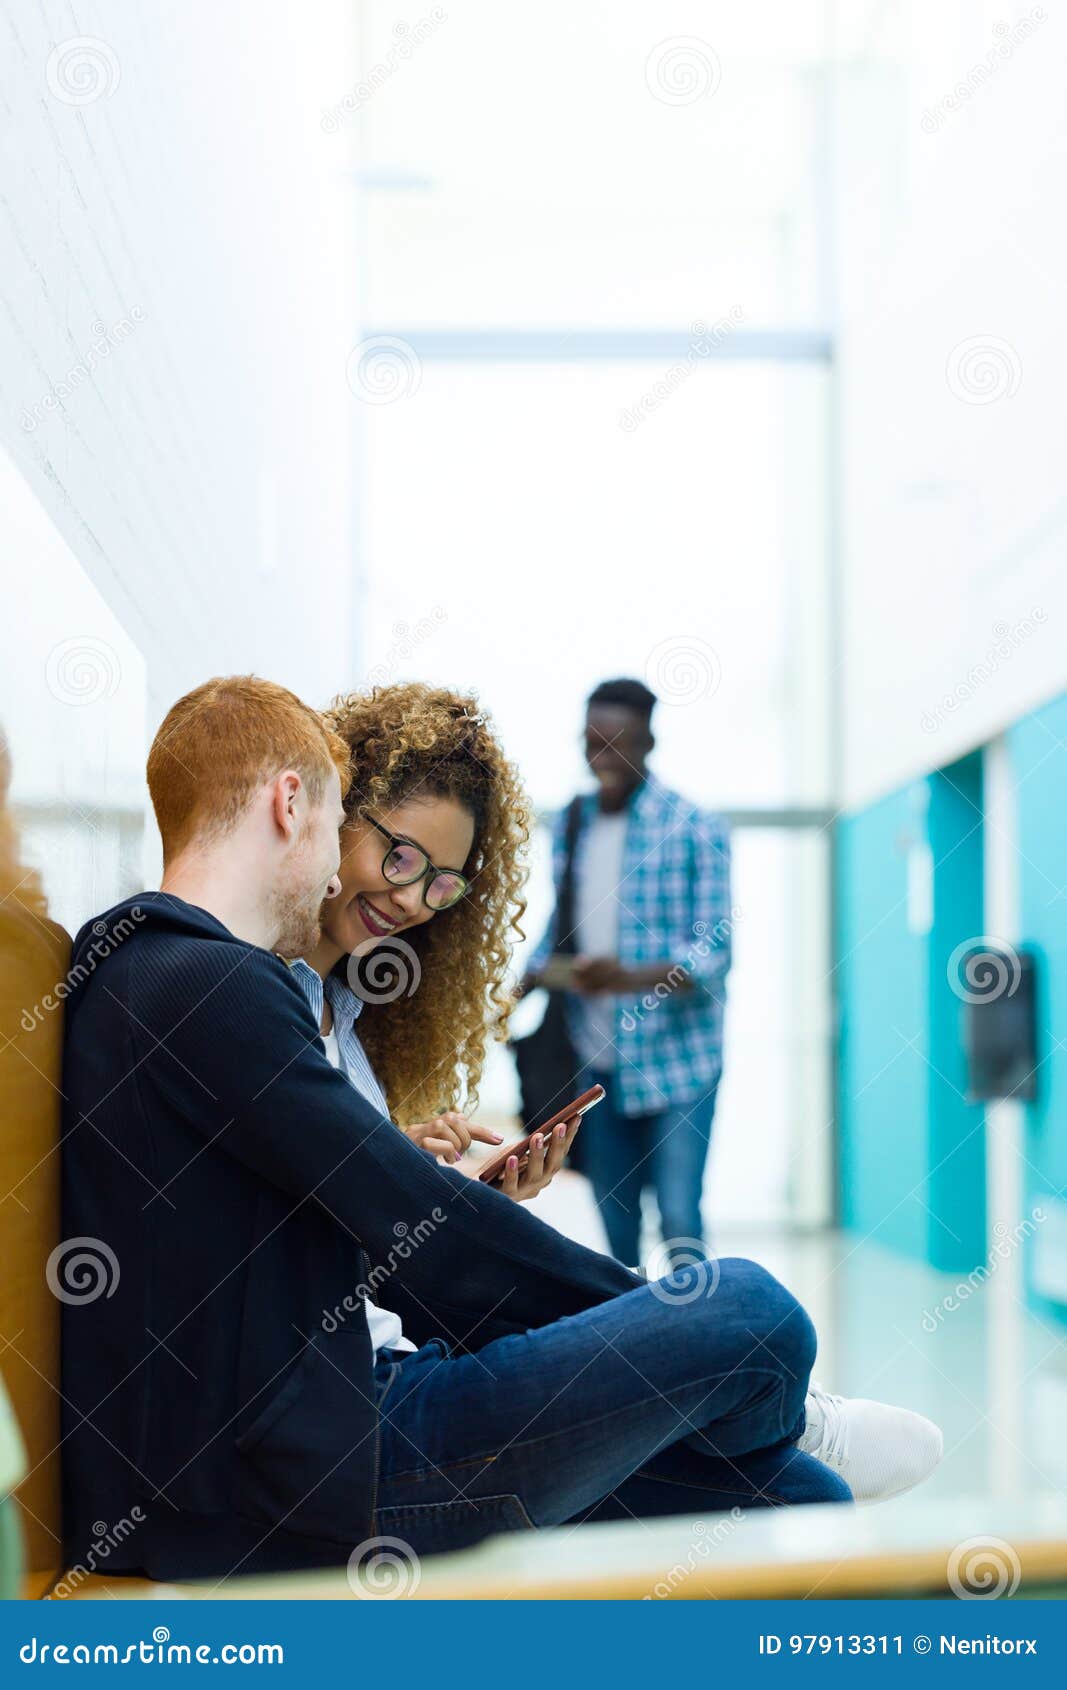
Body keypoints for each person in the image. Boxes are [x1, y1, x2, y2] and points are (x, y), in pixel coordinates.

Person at [60, 676, 942, 1583]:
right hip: (325, 1463)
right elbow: (415, 1231)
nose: (342, 873)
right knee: (753, 1314)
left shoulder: (166, 973)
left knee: (799, 1495)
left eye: (441, 884)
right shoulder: (203, 981)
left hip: (328, 1427)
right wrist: (650, 1313)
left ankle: (764, 1409)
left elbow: (295, 1243)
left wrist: (417, 1192)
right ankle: (785, 1402)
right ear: (296, 806)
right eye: (345, 838)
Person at [290, 682, 576, 1203]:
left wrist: (416, 1164)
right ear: (338, 808)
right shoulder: (255, 995)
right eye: (400, 856)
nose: (413, 902)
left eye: (441, 883)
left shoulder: (345, 1019)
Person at [525, 677, 730, 1266]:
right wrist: (531, 975)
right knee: (614, 1220)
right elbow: (558, 924)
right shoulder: (570, 822)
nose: (602, 758)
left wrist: (630, 976)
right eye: (592, 742)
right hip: (596, 1057)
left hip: (680, 1060)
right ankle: (637, 1349)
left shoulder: (696, 827)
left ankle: (700, 1342)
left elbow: (715, 953)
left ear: (649, 743)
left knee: (679, 1214)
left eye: (617, 743)